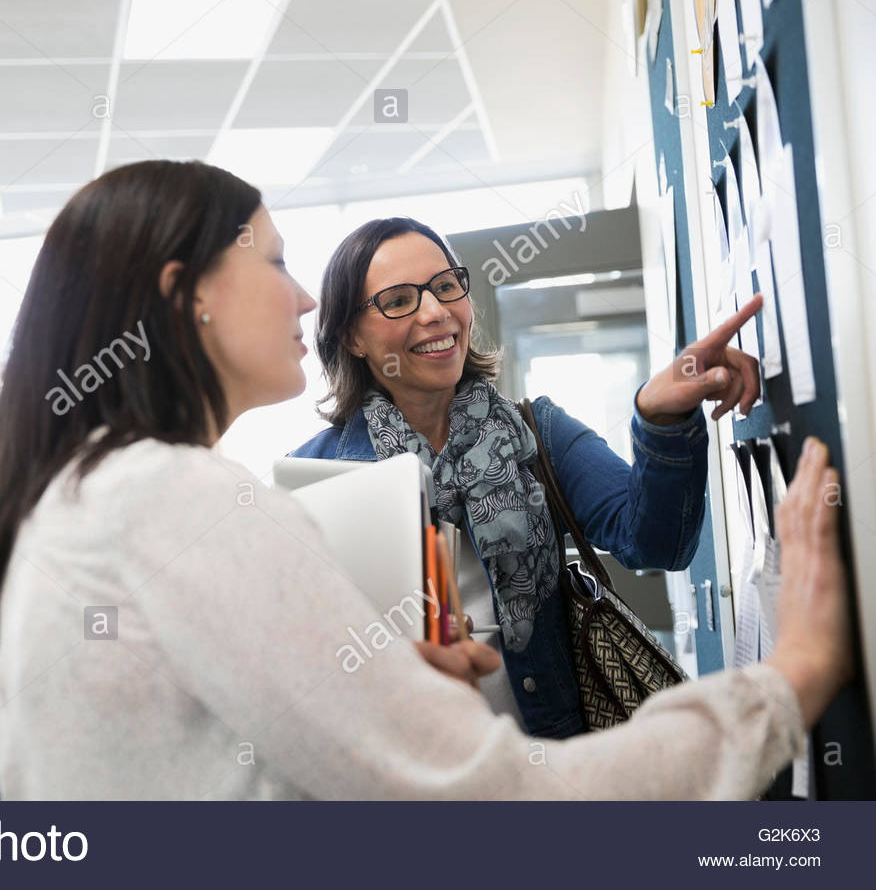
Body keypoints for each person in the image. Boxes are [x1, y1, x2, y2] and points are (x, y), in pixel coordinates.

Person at [0, 159, 851, 800]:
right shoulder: (198, 501)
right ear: (186, 295)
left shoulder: (82, 501)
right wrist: (797, 673)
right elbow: (489, 801)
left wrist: (396, 697)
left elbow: (234, 755)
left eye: (446, 287)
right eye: (275, 264)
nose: (302, 298)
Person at [290, 216, 763, 736]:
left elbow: (657, 543)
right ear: (353, 336)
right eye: (399, 300)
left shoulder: (537, 432)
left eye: (446, 287)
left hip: (552, 761)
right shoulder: (319, 479)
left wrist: (660, 416)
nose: (435, 312)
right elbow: (302, 664)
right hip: (408, 772)